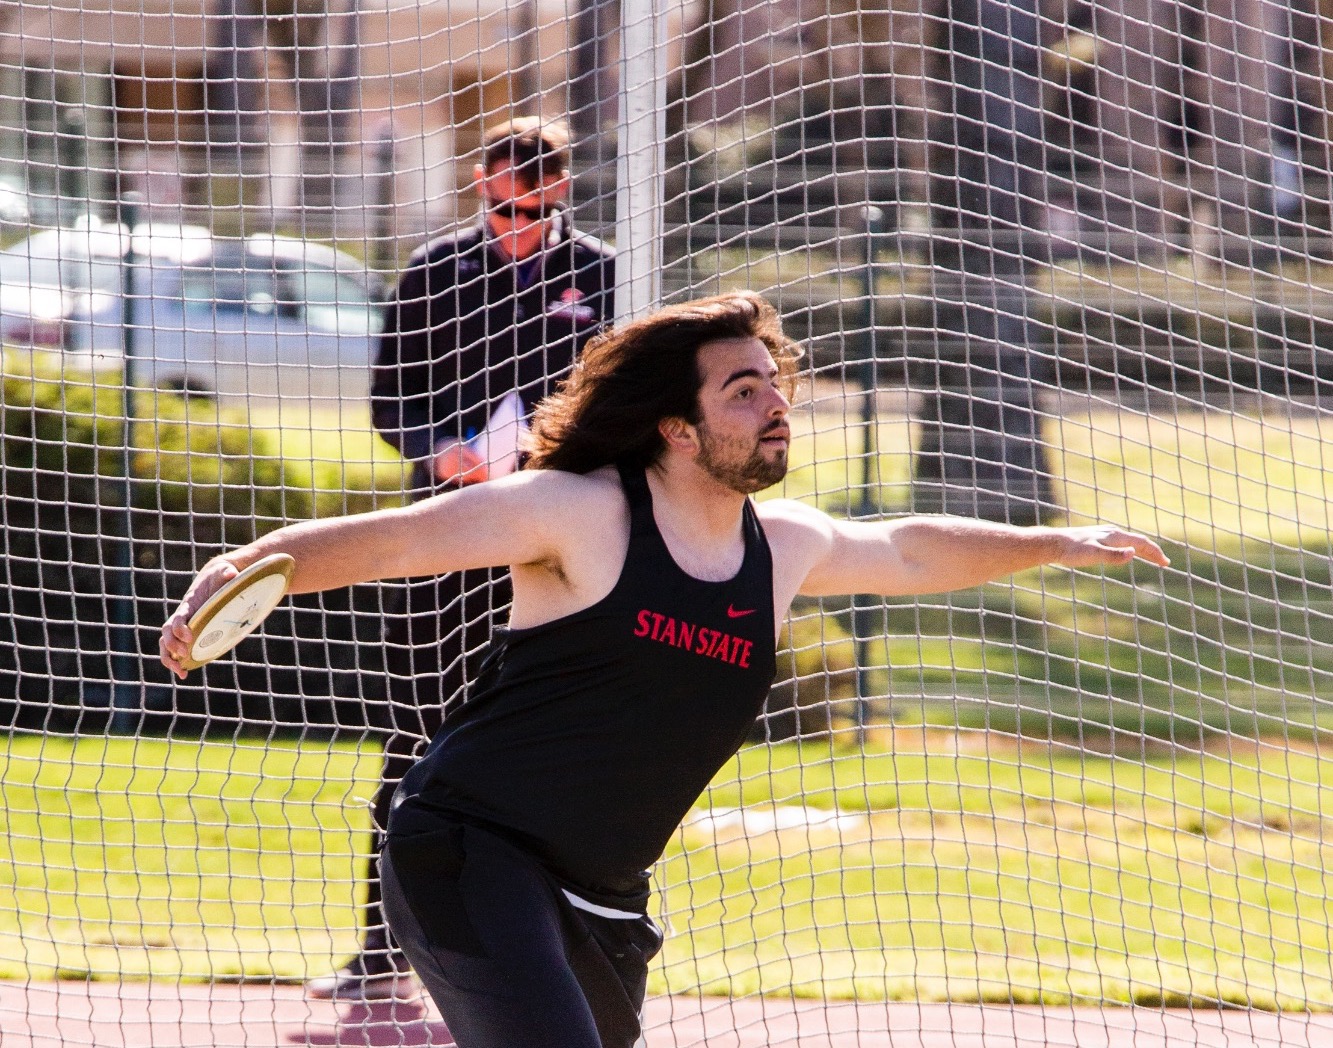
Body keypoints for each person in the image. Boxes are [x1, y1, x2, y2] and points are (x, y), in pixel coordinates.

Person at [160, 292, 1169, 1048]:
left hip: (605, 896)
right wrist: (246, 567)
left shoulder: (784, 545)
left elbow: (909, 549)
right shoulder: (579, 510)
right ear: (677, 428)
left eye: (777, 383)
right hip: (473, 853)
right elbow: (397, 541)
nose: (778, 404)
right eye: (745, 389)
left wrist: (1057, 540)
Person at [319, 116, 614, 999]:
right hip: (446, 539)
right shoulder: (433, 268)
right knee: (413, 737)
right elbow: (387, 403)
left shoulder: (597, 271)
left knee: (551, 743)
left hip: (557, 544)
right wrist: (444, 452)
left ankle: (559, 959)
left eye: (522, 208)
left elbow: (619, 403)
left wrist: (556, 465)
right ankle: (378, 952)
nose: (505, 222)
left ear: (557, 193)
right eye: (491, 203)